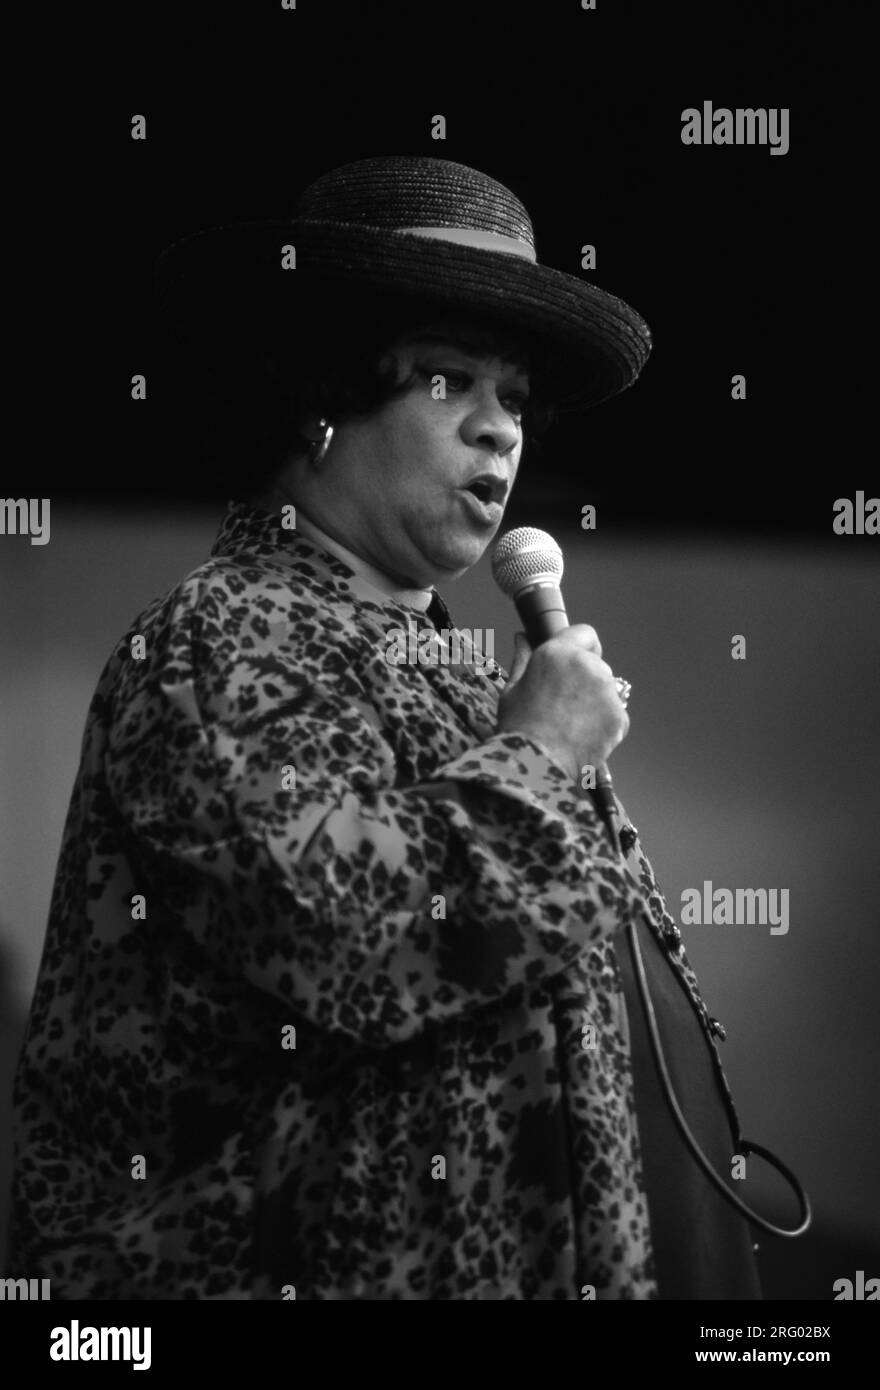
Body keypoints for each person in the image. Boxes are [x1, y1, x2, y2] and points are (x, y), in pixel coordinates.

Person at [8, 155, 762, 1299]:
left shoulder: (453, 671)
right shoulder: (223, 632)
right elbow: (346, 939)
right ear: (323, 397)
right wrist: (543, 754)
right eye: (449, 380)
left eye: (514, 397)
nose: (500, 432)